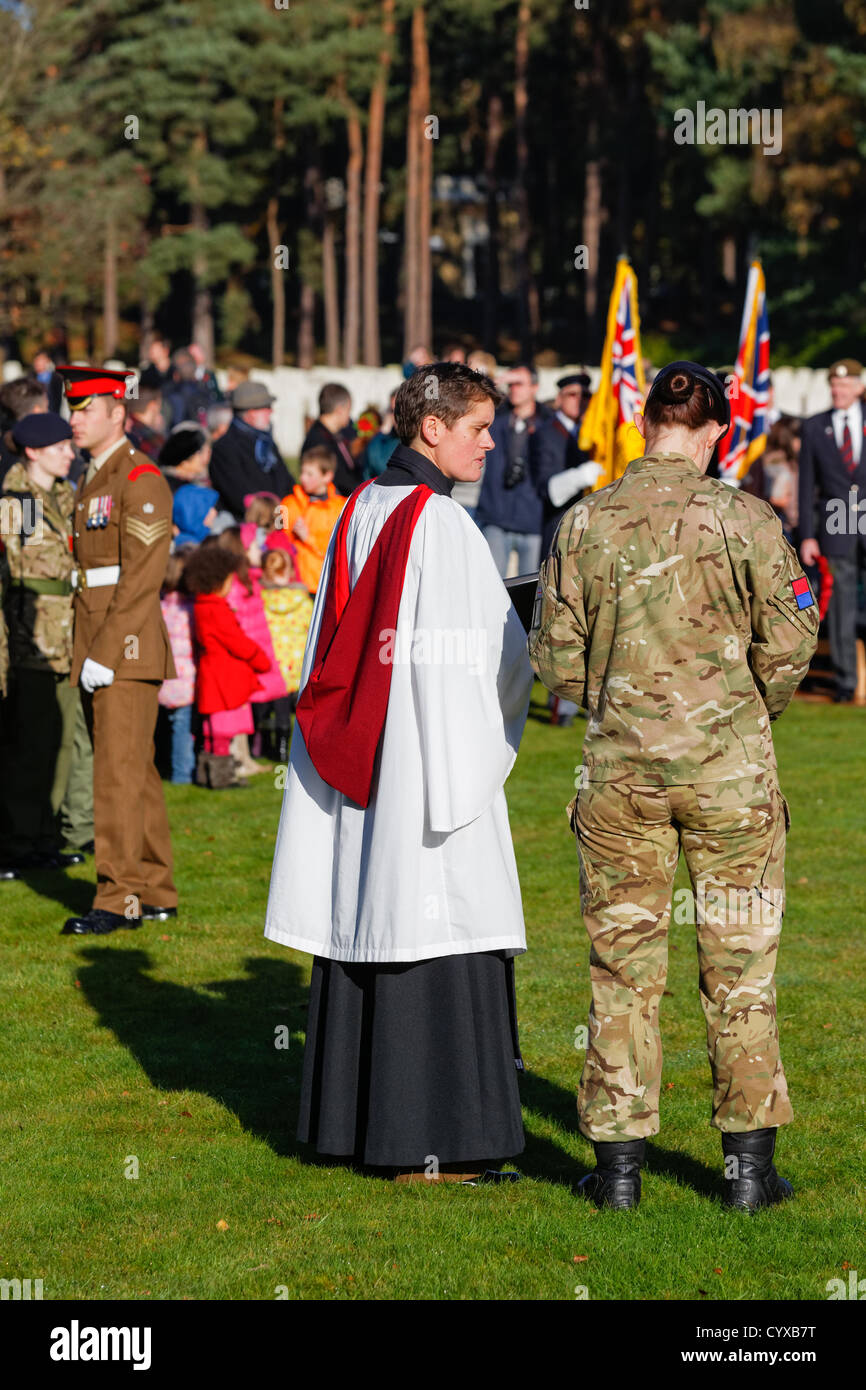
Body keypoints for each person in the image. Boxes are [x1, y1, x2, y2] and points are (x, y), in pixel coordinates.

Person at [529, 361, 820, 1212]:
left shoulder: (584, 522)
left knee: (622, 971)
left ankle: (620, 1178)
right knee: (741, 970)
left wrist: (622, 696)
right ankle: (747, 1176)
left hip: (621, 775)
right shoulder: (746, 518)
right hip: (730, 776)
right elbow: (795, 635)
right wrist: (740, 709)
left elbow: (553, 657)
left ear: (643, 419)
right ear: (715, 431)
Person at [264, 362, 533, 1180]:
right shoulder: (443, 524)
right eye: (478, 428)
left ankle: (351, 1129)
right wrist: (525, 629)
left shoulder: (358, 506)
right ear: (432, 429)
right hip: (423, 763)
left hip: (369, 757)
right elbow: (482, 662)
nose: (491, 443)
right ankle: (441, 1139)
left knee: (366, 914)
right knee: (437, 919)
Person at [57, 365, 177, 936]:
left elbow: (141, 577)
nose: (75, 420)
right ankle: (153, 888)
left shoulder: (139, 478)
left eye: (86, 410)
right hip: (100, 639)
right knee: (135, 772)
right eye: (73, 410)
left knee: (115, 774)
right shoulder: (97, 475)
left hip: (121, 646)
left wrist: (105, 651)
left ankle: (117, 896)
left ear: (117, 415)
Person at [0, 413, 87, 872]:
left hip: (66, 636)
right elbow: (15, 572)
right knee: (29, 744)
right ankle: (17, 842)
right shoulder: (18, 499)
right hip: (31, 638)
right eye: (60, 448)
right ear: (33, 451)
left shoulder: (63, 494)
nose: (70, 454)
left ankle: (43, 836)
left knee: (59, 742)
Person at [798, 358, 866, 703]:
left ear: (858, 386)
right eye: (834, 386)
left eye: (844, 385)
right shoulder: (814, 427)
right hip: (835, 526)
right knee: (840, 605)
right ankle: (845, 681)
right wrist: (808, 535)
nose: (838, 391)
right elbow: (806, 483)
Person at [184, 544, 270, 790]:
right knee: (223, 729)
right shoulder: (215, 610)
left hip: (213, 674)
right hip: (223, 678)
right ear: (217, 581)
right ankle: (222, 777)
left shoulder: (202, 606)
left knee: (213, 730)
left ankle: (207, 773)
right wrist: (260, 660)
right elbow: (236, 642)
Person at [213, 527, 288, 772]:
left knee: (244, 706)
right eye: (255, 547)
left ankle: (244, 758)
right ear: (242, 551)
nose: (261, 550)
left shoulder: (250, 581)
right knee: (236, 706)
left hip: (254, 651)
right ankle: (237, 759)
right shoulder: (233, 585)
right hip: (243, 654)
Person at [476, 364, 550, 578]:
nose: (514, 389)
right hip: (496, 516)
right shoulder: (495, 418)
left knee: (529, 590)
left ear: (535, 387)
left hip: (533, 519)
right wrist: (498, 381)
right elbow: (476, 397)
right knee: (492, 585)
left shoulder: (547, 423)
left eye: (520, 384)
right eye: (511, 384)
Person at [530, 371, 601, 555]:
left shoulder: (593, 434)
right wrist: (580, 477)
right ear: (559, 400)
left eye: (586, 395)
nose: (580, 400)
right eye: (572, 394)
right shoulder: (544, 433)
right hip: (559, 528)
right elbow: (545, 489)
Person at [209, 381, 291, 520]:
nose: (271, 411)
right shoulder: (225, 448)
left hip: (276, 523)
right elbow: (239, 497)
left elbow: (287, 483)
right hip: (249, 528)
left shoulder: (266, 443)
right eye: (267, 407)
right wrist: (273, 520)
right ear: (251, 412)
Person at [271, 446, 345, 594]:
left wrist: (307, 537)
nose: (303, 478)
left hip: (324, 586)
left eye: (310, 474)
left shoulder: (340, 507)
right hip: (293, 585)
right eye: (302, 472)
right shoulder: (286, 504)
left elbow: (340, 549)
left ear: (327, 476)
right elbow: (275, 540)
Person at [158, 548, 197, 785]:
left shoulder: (159, 608)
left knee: (165, 727)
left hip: (163, 678)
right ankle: (182, 774)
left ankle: (163, 766)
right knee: (183, 730)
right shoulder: (189, 610)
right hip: (185, 682)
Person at [260, 548, 313, 714]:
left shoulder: (260, 600)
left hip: (270, 663)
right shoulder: (302, 600)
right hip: (296, 665)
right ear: (289, 571)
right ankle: (285, 738)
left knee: (269, 716)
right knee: (290, 717)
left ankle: (270, 737)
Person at [302, 383, 360, 498]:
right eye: (348, 410)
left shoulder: (336, 436)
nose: (349, 416)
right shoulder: (317, 441)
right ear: (340, 410)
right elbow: (340, 479)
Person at [0, 378, 49, 486]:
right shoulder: (30, 454)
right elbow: (29, 501)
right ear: (37, 412)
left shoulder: (4, 441)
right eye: (46, 408)